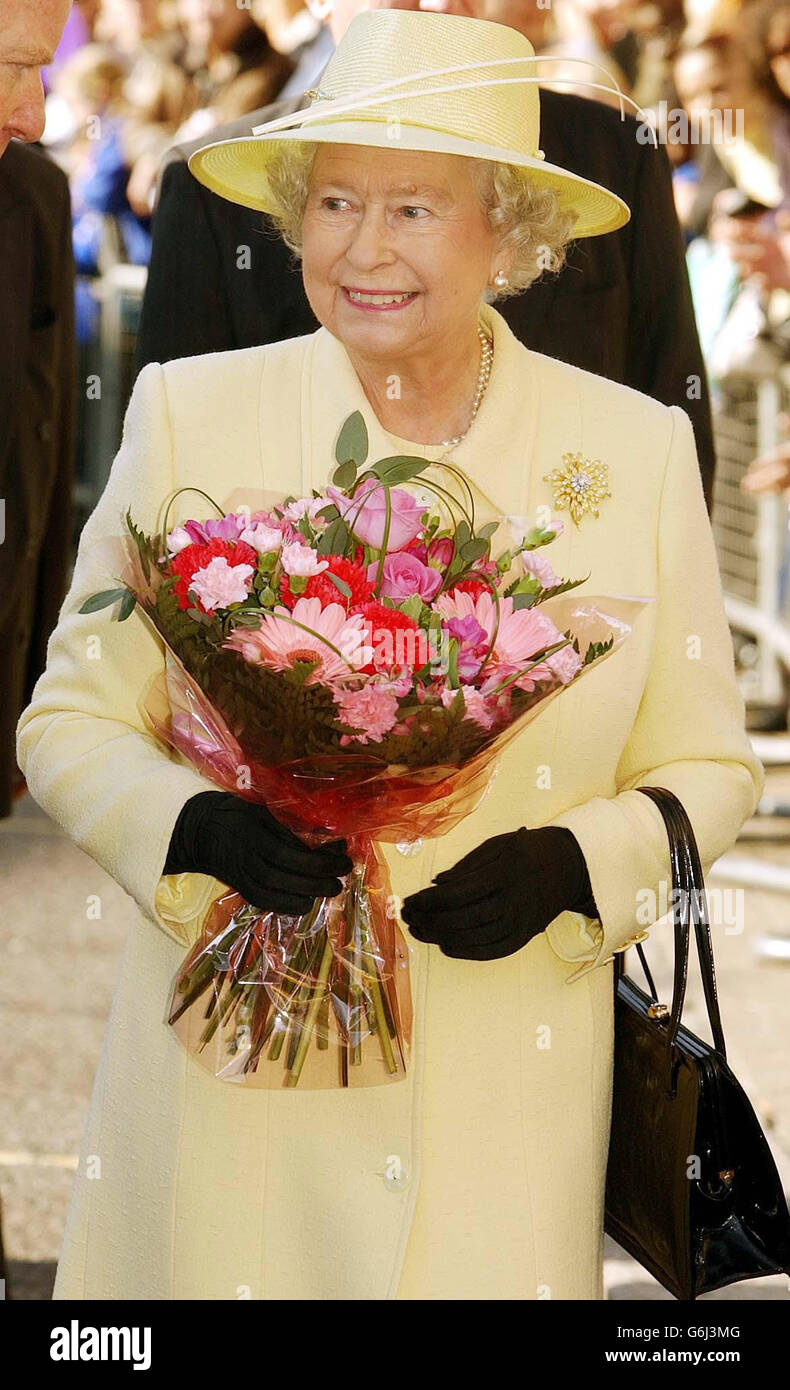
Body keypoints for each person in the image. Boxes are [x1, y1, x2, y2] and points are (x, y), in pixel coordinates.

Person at [17, 8, 763, 1301]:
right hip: (226, 1102)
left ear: (507, 235)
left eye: (414, 209)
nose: (364, 249)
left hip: (503, 1097)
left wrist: (584, 860)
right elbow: (69, 717)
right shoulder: (193, 413)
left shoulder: (629, 449)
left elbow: (707, 759)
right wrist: (190, 825)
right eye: (337, 203)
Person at [135, 0, 718, 511]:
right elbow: (173, 485)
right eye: (335, 204)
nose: (439, 4)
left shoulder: (614, 149)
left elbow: (670, 393)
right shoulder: (205, 184)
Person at [0, 0, 76, 819]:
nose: (34, 114)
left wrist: (32, 687)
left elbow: (43, 463)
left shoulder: (37, 197)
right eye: (14, 68)